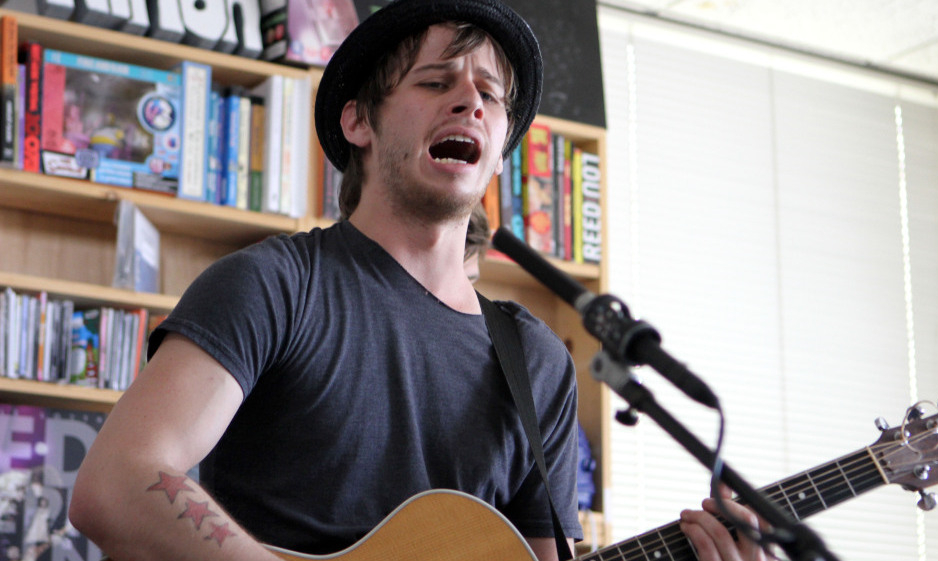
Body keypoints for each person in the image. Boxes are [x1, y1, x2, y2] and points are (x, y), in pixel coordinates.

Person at [68, 1, 765, 561]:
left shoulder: (537, 363)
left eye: (491, 94)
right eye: (436, 82)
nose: (471, 102)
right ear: (358, 121)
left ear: (499, 151)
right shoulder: (274, 287)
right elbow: (117, 483)